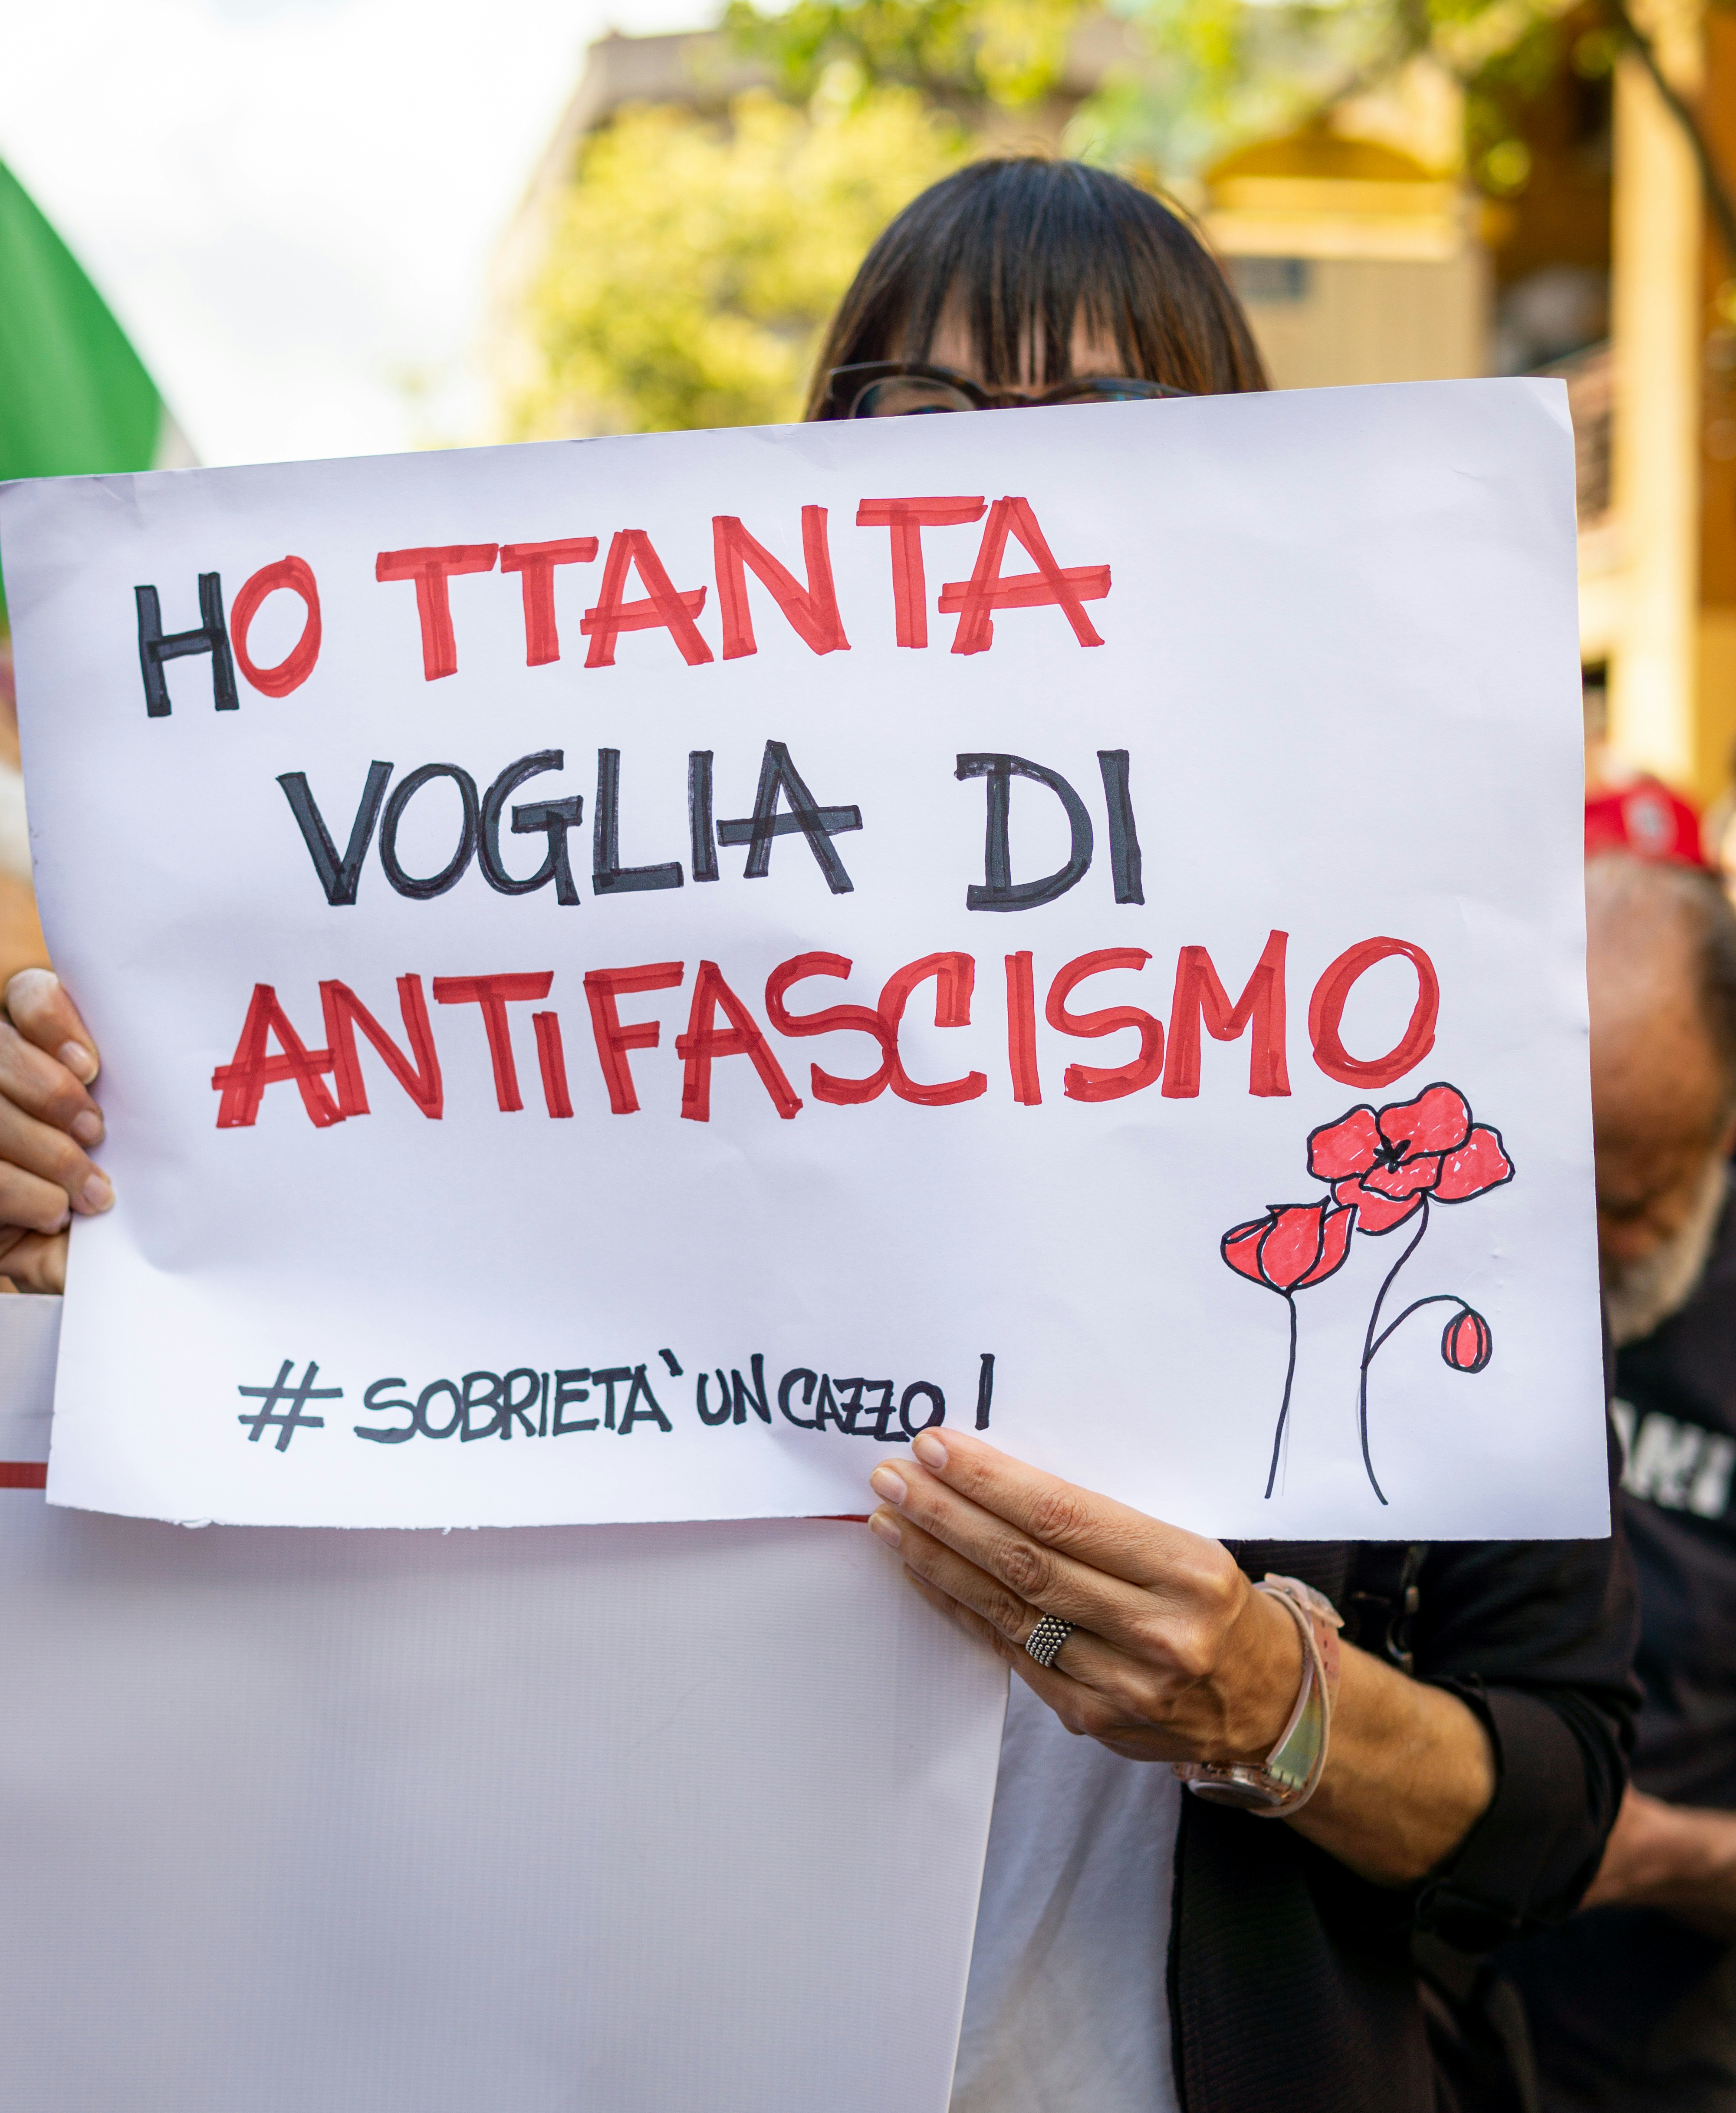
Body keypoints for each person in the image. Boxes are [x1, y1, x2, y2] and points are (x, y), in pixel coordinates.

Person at [0, 156, 1637, 2113]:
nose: (1004, 492)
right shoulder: (557, 985)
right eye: (921, 413)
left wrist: (1270, 1706)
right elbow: (290, 1492)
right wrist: (80, 1227)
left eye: (1109, 422)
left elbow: (1553, 1800)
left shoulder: (1396, 1064)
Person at [1496, 851, 1736, 2109]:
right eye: (1556, 1179)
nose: (1584, 1250)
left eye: (1629, 1201)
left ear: (1725, 1124)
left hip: (1656, 2037)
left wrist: (1667, 1853)